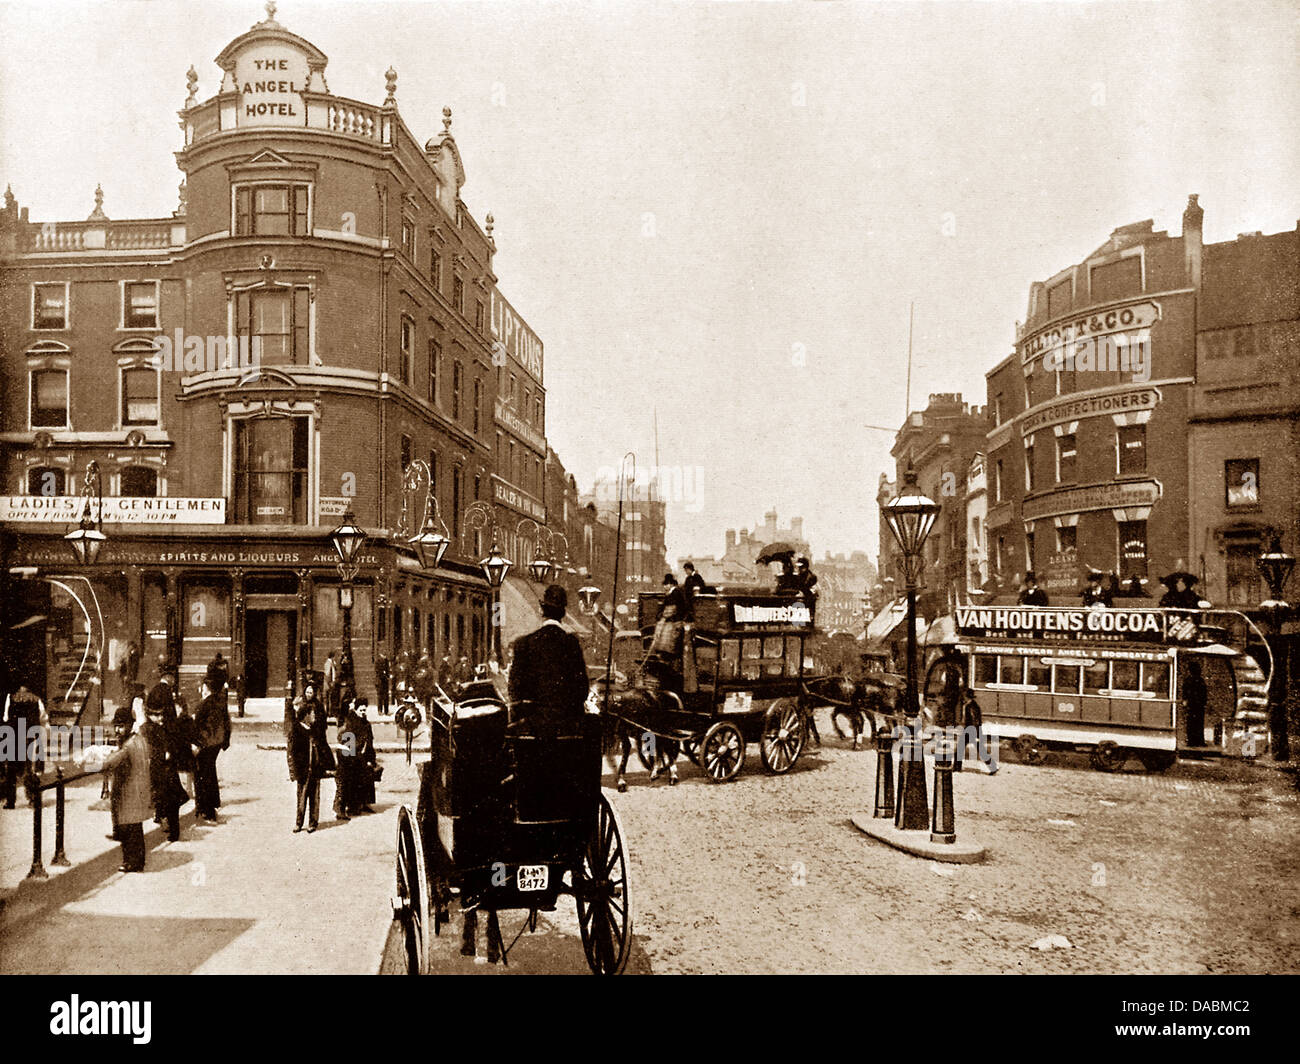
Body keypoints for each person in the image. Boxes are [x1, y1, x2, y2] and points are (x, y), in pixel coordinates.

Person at [507, 584, 590, 733]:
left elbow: (514, 688)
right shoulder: (571, 643)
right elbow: (582, 688)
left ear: (542, 610)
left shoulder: (524, 643)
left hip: (532, 726)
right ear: (563, 613)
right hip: (566, 726)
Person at [99, 706, 152, 873]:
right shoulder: (140, 740)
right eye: (116, 726)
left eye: (121, 726)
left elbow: (108, 763)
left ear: (130, 725)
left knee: (129, 830)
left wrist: (91, 760)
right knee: (136, 829)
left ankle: (131, 862)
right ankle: (138, 861)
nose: (117, 730)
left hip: (129, 792)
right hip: (140, 790)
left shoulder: (128, 746)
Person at [289, 682, 334, 832]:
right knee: (301, 796)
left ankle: (313, 822)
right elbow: (293, 751)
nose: (309, 694)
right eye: (307, 691)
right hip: (302, 767)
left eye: (311, 691)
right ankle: (298, 822)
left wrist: (327, 763)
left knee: (314, 795)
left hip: (315, 766)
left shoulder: (317, 724)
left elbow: (323, 741)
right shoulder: (298, 729)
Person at [141, 695, 186, 842]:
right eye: (156, 714)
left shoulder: (164, 727)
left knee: (171, 800)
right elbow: (148, 750)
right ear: (148, 715)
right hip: (156, 770)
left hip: (167, 771)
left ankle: (172, 829)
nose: (160, 717)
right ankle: (166, 823)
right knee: (164, 799)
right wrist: (163, 753)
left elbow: (172, 746)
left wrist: (170, 751)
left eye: (161, 714)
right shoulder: (146, 730)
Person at [1, 683, 46, 808]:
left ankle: (10, 801)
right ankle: (33, 799)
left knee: (11, 770)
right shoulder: (36, 699)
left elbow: (5, 718)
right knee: (30, 769)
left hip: (14, 736)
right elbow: (43, 717)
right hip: (30, 736)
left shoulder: (10, 697)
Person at [193, 679, 231, 823]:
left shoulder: (205, 704)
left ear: (206, 688)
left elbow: (201, 726)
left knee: (203, 776)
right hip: (216, 744)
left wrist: (197, 744)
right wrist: (225, 742)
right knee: (210, 774)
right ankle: (210, 807)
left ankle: (206, 810)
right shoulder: (220, 701)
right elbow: (227, 723)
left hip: (205, 744)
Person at [1182, 658, 1208, 747]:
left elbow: (1185, 692)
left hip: (1192, 705)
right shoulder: (1200, 681)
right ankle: (1197, 741)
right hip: (1198, 705)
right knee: (1198, 723)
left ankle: (1192, 741)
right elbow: (1204, 693)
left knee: (1192, 723)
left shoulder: (1188, 680)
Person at [323, 650, 339, 721]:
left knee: (330, 698)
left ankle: (329, 712)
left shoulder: (331, 663)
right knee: (328, 698)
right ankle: (328, 713)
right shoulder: (328, 663)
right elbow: (327, 674)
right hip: (328, 684)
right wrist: (330, 683)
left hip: (330, 683)